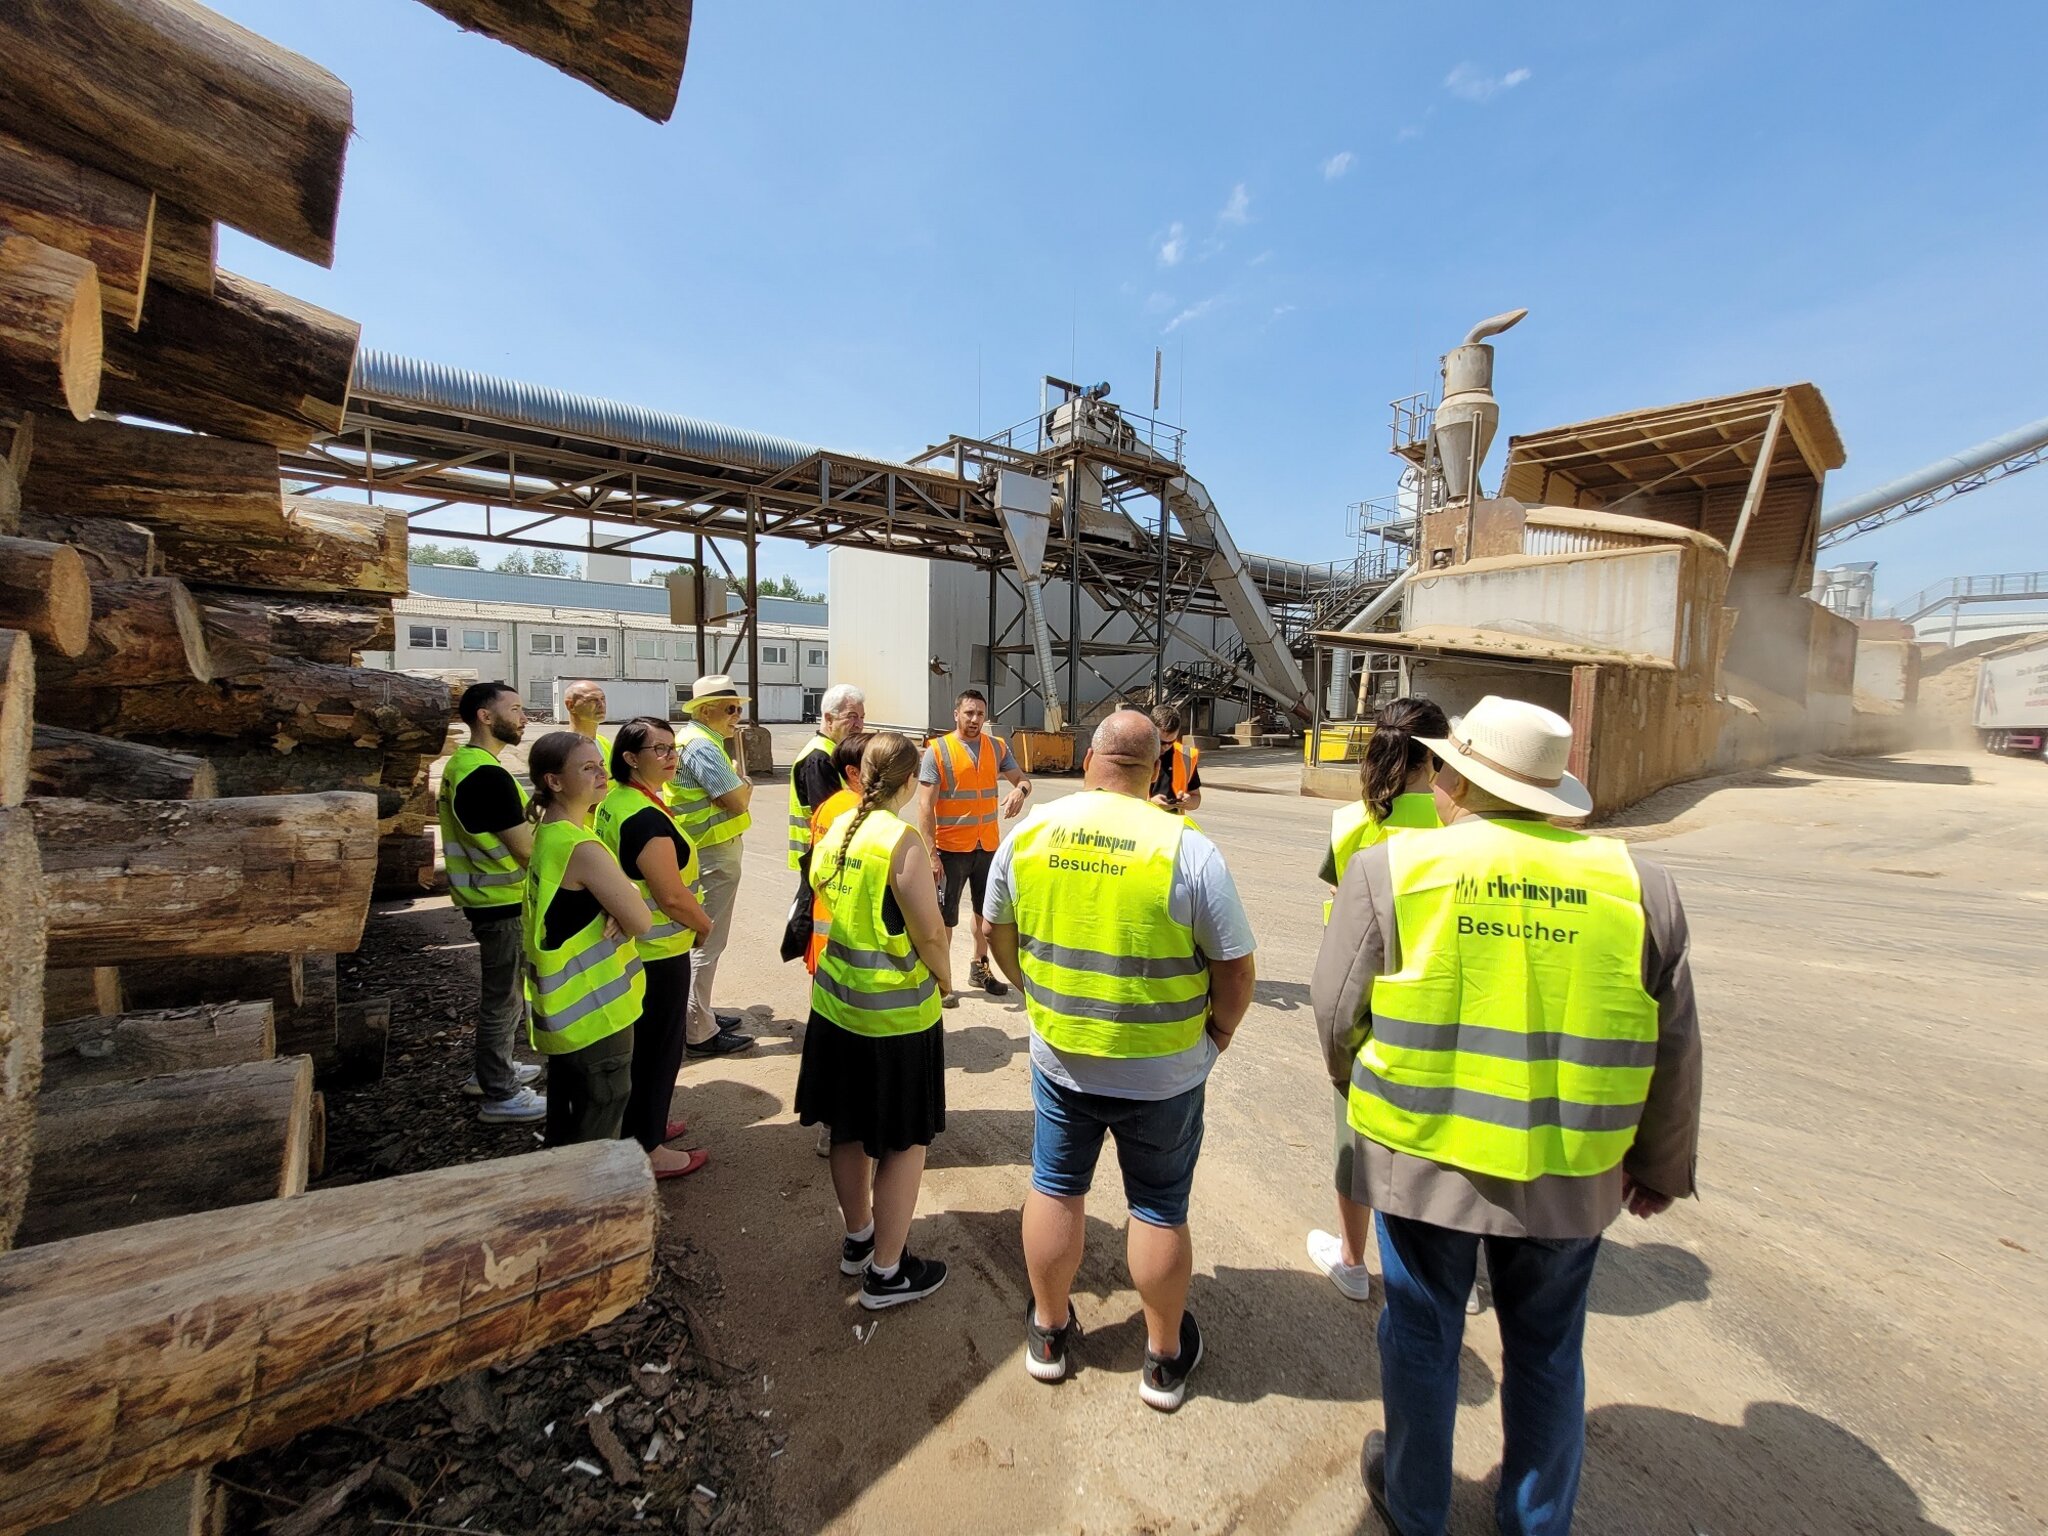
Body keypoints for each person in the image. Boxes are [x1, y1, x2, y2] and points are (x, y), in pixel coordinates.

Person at [1311, 695, 1702, 1536]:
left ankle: (1417, 1507)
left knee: (1420, 1334)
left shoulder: (1396, 869)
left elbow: (1335, 1010)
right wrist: (1661, 1167)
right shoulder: (1639, 885)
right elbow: (1675, 1045)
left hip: (1422, 1160)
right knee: (1550, 1351)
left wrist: (1362, 1094)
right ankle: (1534, 1520)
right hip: (1573, 1170)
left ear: (1455, 775)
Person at [987, 710, 1257, 1412]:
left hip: (1063, 1058)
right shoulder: (1186, 847)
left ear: (1088, 760)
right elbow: (1234, 969)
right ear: (1153, 768)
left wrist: (1036, 996)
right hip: (1163, 1068)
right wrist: (1219, 1034)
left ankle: (1048, 1332)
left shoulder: (1031, 834)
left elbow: (996, 936)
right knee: (1160, 1207)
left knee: (1055, 1185)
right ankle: (1163, 1359)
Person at [795, 732, 954, 1310]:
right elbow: (930, 931)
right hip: (895, 1019)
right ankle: (887, 1273)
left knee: (849, 1128)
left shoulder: (839, 826)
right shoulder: (901, 840)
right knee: (904, 1142)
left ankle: (859, 1238)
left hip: (838, 1009)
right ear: (911, 783)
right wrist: (944, 977)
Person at [1307, 697, 1449, 1305]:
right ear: (1439, 762)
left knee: (1354, 1140)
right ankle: (1449, 1270)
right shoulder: (1459, 829)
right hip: (1445, 1008)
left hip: (1365, 1007)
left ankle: (1353, 1260)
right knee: (1442, 1146)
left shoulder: (1350, 825)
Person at [594, 717, 717, 1180]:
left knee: (646, 1048)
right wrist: (703, 926)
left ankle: (647, 1124)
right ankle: (648, 1148)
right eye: (660, 750)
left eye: (673, 749)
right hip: (658, 953)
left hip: (637, 948)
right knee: (658, 1051)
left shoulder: (621, 802)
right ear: (630, 758)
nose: (671, 758)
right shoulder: (643, 817)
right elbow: (669, 894)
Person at [520, 731, 654, 1146]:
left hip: (565, 1014)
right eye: (587, 768)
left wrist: (618, 900)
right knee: (599, 1124)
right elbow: (642, 922)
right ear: (554, 782)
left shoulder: (551, 832)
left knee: (569, 1112)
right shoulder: (580, 847)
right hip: (597, 1013)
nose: (601, 774)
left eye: (600, 764)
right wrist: (625, 901)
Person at [436, 681, 547, 1125]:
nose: (524, 718)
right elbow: (526, 850)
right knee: (503, 999)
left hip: (488, 899)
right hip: (501, 903)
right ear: (485, 716)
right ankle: (499, 1092)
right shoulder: (486, 774)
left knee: (505, 995)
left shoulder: (465, 765)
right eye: (515, 709)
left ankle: (492, 1069)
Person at [915, 688, 1030, 1006]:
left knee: (985, 914)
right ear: (956, 714)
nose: (975, 719)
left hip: (987, 846)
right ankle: (942, 979)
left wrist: (1020, 790)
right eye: (969, 713)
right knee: (945, 918)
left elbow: (1023, 779)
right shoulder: (937, 750)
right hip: (951, 848)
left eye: (980, 713)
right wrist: (930, 852)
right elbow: (925, 805)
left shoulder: (997, 747)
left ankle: (980, 969)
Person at [671, 675, 757, 1057]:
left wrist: (740, 785)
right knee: (707, 939)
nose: (737, 716)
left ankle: (699, 1013)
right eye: (730, 709)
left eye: (738, 708)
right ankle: (698, 1029)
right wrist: (744, 785)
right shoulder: (703, 746)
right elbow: (736, 800)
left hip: (705, 850)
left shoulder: (693, 740)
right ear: (706, 711)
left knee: (705, 938)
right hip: (712, 851)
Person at [788, 683, 866, 873]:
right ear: (829, 719)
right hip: (820, 859)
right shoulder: (819, 759)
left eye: (862, 717)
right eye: (852, 717)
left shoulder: (833, 753)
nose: (859, 725)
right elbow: (831, 818)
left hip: (827, 856)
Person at [1148, 704, 1203, 815]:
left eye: (1171, 742)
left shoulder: (1186, 756)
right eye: (1161, 742)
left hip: (1173, 827)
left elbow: (1196, 798)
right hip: (1140, 826)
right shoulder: (1134, 753)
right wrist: (1150, 803)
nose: (1165, 746)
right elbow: (1119, 798)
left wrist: (1188, 801)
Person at [563, 679, 612, 765]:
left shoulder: (604, 743)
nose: (601, 705)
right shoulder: (561, 747)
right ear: (570, 706)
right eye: (592, 700)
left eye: (602, 699)